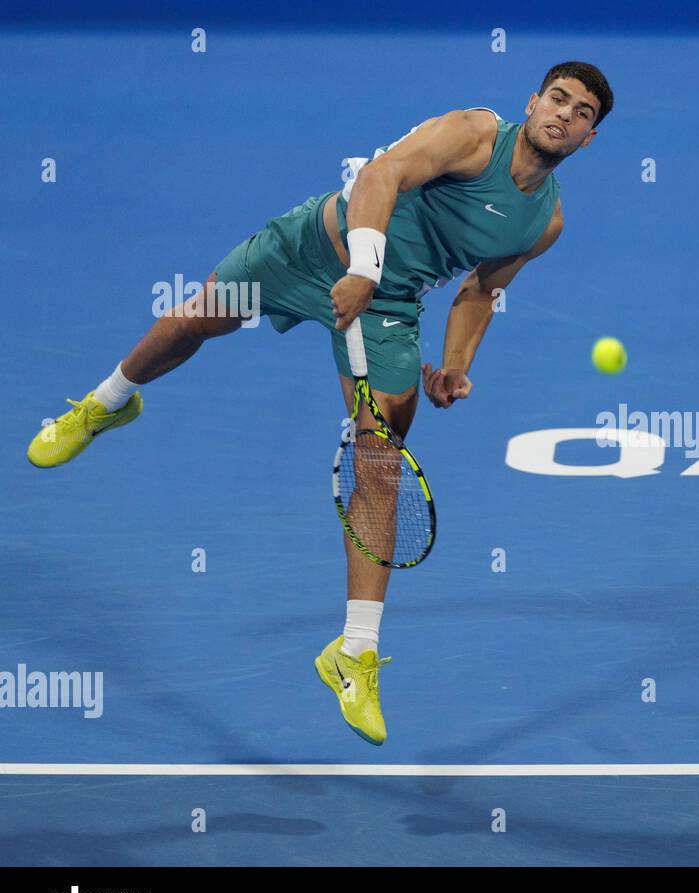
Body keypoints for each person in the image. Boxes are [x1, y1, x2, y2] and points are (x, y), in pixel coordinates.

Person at [25, 61, 614, 745]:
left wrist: (454, 367)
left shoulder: (545, 222)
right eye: (559, 99)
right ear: (533, 100)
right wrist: (362, 267)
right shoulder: (473, 134)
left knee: (380, 457)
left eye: (581, 114)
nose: (564, 115)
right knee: (194, 320)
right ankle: (108, 402)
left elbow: (481, 289)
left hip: (388, 310)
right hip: (309, 250)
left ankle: (355, 653)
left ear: (588, 138)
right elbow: (380, 176)